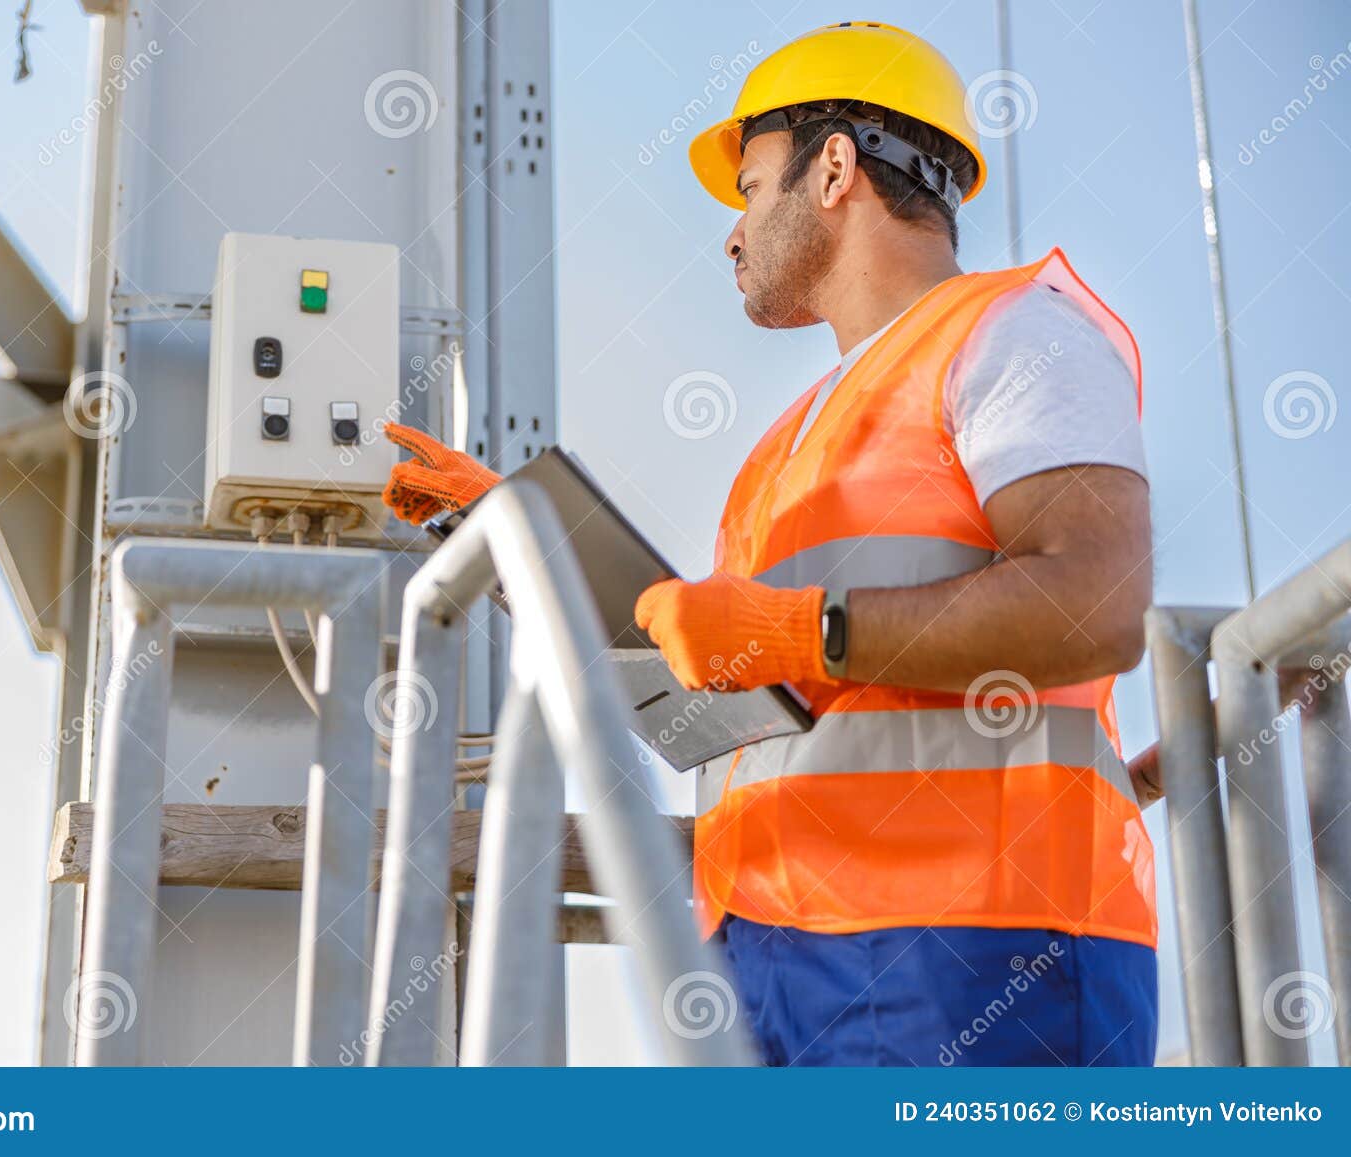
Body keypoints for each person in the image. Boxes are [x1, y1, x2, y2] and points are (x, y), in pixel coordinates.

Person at [380, 21, 1157, 1067]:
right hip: (766, 959)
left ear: (833, 168)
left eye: (751, 187)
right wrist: (523, 554)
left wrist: (796, 627)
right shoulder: (781, 446)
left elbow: (1090, 604)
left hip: (976, 946)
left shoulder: (1013, 330)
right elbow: (737, 692)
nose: (734, 232)